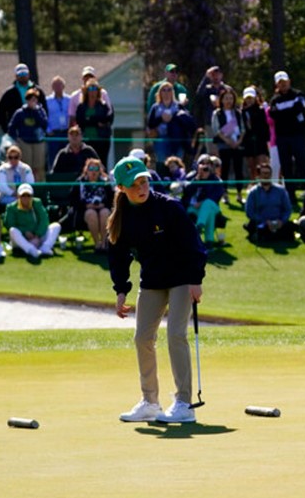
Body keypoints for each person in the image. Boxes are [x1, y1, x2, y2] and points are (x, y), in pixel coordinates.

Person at [108, 156, 207, 424]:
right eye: (134, 184)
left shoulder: (169, 207)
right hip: (152, 280)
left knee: (176, 335)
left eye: (144, 182)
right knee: (142, 338)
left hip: (182, 278)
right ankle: (150, 402)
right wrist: (121, 290)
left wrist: (196, 279)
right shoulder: (121, 217)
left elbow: (193, 244)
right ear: (121, 188)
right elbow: (118, 256)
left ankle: (184, 404)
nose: (141, 188)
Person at [267, 71, 305, 203]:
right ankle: (291, 196)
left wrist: (284, 114)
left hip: (298, 135)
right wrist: (290, 114)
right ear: (277, 85)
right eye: (280, 83)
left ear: (289, 81)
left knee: (302, 164)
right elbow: (274, 115)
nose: (283, 85)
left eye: (285, 82)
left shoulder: (298, 95)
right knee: (286, 167)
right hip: (282, 137)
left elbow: (300, 109)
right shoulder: (274, 100)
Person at [209, 87, 246, 203]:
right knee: (224, 169)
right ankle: (224, 194)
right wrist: (228, 141)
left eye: (231, 98)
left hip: (237, 144)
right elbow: (216, 130)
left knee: (238, 169)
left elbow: (242, 128)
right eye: (226, 98)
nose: (228, 101)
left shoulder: (238, 113)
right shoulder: (217, 113)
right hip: (223, 145)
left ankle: (239, 194)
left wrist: (238, 141)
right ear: (222, 100)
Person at [3, 183, 61, 258]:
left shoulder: (37, 203)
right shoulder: (11, 208)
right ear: (18, 196)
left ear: (32, 196)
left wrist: (37, 235)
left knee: (56, 226)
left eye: (28, 195)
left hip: (37, 236)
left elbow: (44, 220)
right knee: (12, 230)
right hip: (21, 239)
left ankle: (45, 247)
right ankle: (31, 250)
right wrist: (25, 232)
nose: (26, 198)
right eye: (23, 195)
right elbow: (9, 224)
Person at [147, 81, 197, 164]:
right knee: (162, 163)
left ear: (172, 92)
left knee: (176, 164)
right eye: (164, 90)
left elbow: (188, 121)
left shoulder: (178, 106)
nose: (166, 92)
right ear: (160, 93)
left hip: (177, 138)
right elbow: (150, 124)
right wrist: (161, 119)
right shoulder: (155, 107)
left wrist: (174, 117)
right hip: (161, 139)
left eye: (169, 90)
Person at [181, 154, 226, 245]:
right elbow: (187, 191)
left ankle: (199, 226)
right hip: (193, 207)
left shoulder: (215, 179)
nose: (205, 166)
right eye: (202, 163)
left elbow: (215, 196)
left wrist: (206, 179)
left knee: (208, 203)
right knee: (209, 213)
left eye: (208, 163)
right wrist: (197, 179)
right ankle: (209, 241)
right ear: (198, 165)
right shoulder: (191, 176)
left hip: (212, 206)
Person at [243, 163, 295, 241]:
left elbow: (288, 209)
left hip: (278, 222)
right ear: (259, 175)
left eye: (268, 173)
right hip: (262, 223)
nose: (266, 176)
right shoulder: (253, 192)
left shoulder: (281, 190)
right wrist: (265, 221)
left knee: (290, 226)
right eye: (263, 173)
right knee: (253, 225)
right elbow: (249, 212)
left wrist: (281, 221)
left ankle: (266, 236)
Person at [7, 88, 49, 184]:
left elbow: (45, 125)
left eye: (35, 99)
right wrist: (17, 139)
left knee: (39, 167)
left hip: (38, 142)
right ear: (27, 100)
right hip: (25, 142)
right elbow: (11, 128)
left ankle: (39, 186)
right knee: (27, 167)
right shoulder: (20, 113)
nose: (33, 102)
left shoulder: (40, 111)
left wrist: (36, 112)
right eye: (30, 99)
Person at [0, 64, 47, 132]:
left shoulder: (38, 90)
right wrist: (6, 129)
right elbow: (1, 111)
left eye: (25, 74)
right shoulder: (9, 93)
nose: (23, 76)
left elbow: (45, 109)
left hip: (35, 130)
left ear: (28, 74)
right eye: (20, 74)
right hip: (17, 131)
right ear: (16, 76)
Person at [193, 65, 233, 144]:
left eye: (218, 74)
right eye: (213, 75)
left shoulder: (227, 89)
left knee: (226, 146)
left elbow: (233, 105)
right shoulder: (206, 89)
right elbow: (199, 95)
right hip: (209, 123)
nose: (216, 77)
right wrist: (206, 77)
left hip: (225, 122)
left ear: (221, 75)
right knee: (212, 147)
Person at [240, 86, 272, 181]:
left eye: (251, 98)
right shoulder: (242, 112)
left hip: (260, 140)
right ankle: (253, 182)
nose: (249, 100)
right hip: (248, 141)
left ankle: (264, 181)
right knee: (251, 166)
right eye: (247, 98)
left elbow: (266, 127)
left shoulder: (261, 110)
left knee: (262, 163)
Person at [43, 76, 72, 170]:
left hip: (66, 132)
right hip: (53, 134)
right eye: (55, 85)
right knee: (53, 157)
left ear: (63, 86)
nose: (57, 87)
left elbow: (72, 115)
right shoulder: (47, 101)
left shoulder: (69, 99)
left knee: (67, 156)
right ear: (52, 87)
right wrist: (48, 130)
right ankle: (53, 174)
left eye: (59, 85)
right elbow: (44, 116)